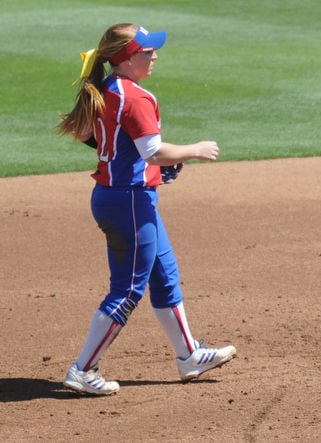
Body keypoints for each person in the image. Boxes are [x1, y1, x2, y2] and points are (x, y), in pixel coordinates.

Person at [57, 23, 235, 395]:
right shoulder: (135, 97)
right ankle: (83, 369)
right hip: (129, 203)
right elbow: (153, 150)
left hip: (125, 197)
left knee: (164, 275)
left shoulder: (106, 88)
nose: (154, 56)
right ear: (126, 58)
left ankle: (190, 355)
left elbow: (93, 136)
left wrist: (148, 167)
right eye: (147, 51)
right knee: (126, 291)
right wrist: (194, 149)